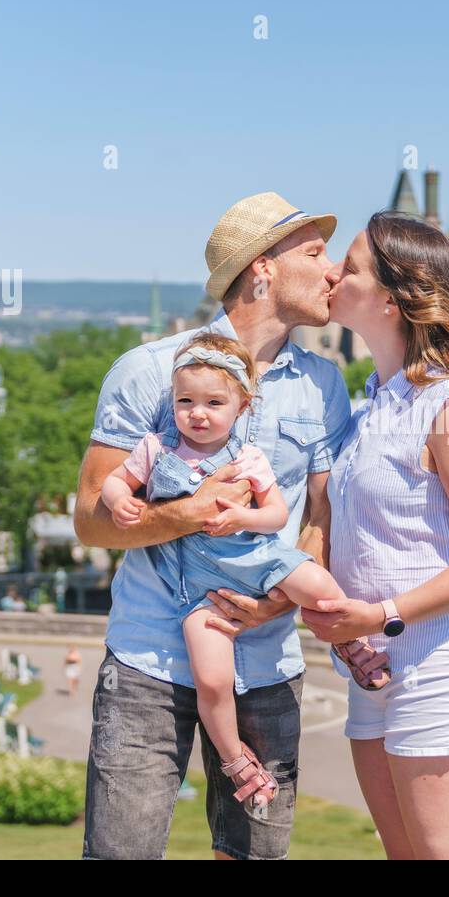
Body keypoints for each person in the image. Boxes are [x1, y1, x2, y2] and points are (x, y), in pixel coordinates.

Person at [74, 192, 389, 860]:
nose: (332, 271)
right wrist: (193, 510)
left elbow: (322, 516)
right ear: (261, 270)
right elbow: (90, 521)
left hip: (268, 662)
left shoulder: (324, 385)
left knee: (253, 856)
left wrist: (273, 601)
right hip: (148, 660)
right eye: (314, 253)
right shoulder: (148, 372)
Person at [302, 210, 449, 859]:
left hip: (443, 664)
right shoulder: (371, 404)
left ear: (394, 300)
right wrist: (345, 631)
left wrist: (382, 614)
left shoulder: (448, 406)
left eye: (353, 266)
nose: (334, 273)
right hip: (375, 672)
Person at [99, 332, 386, 811]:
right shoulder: (155, 449)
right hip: (197, 590)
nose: (198, 413)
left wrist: (240, 518)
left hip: (258, 562)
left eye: (214, 402)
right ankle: (235, 760)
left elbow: (275, 515)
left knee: (318, 584)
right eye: (185, 401)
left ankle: (345, 637)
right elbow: (111, 481)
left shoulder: (248, 458)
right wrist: (120, 500)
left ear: (242, 407)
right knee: (211, 678)